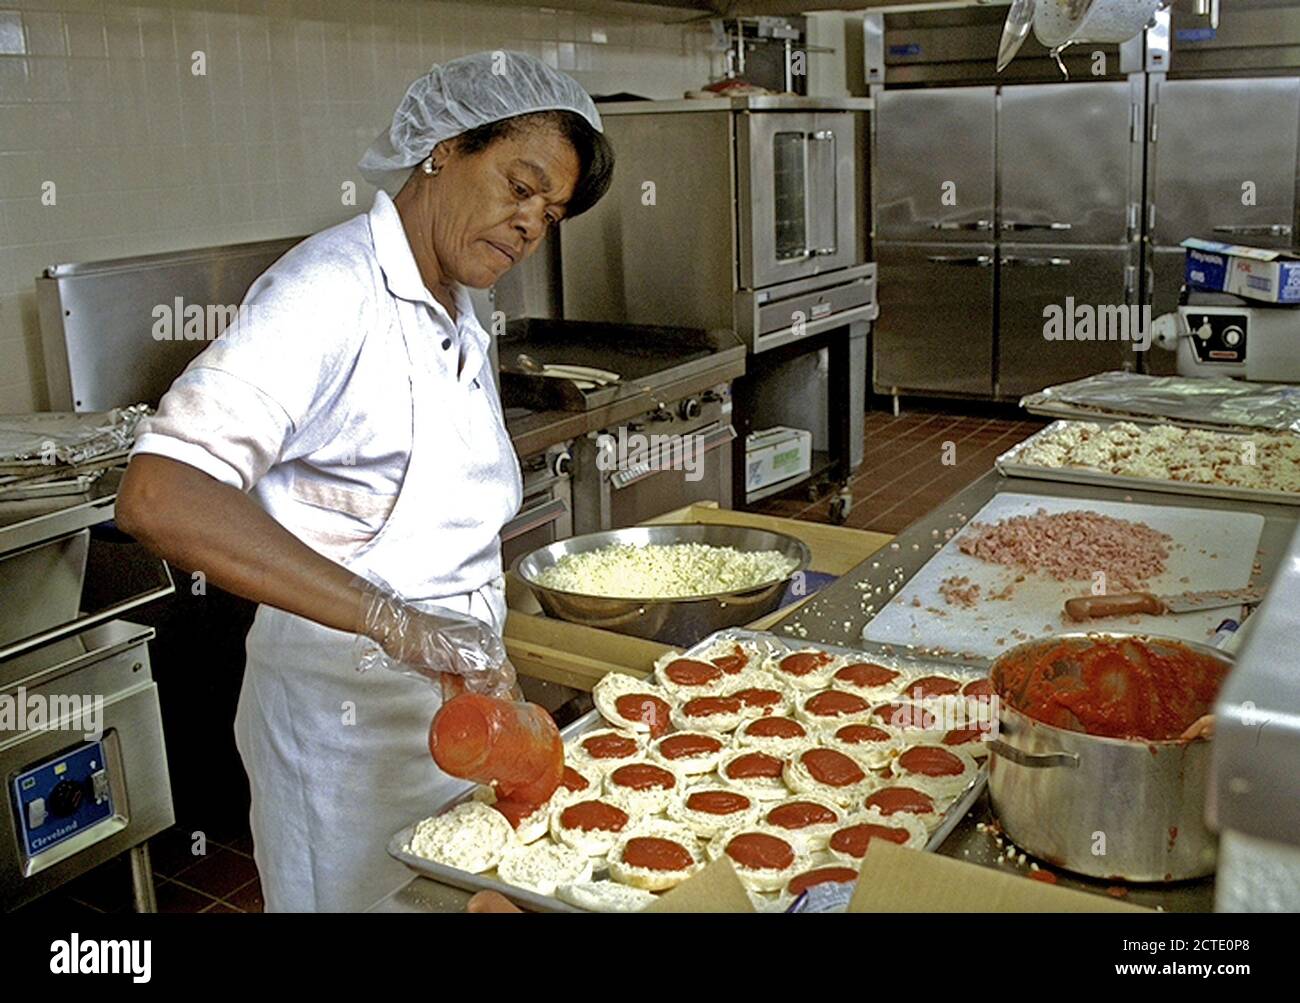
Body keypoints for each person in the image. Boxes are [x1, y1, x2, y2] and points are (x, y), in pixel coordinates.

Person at [116, 51, 614, 912]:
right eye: (520, 185)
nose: (532, 223)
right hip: (339, 743)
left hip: (458, 724)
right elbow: (160, 491)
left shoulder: (461, 302)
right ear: (442, 149)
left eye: (552, 211)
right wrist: (392, 619)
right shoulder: (329, 291)